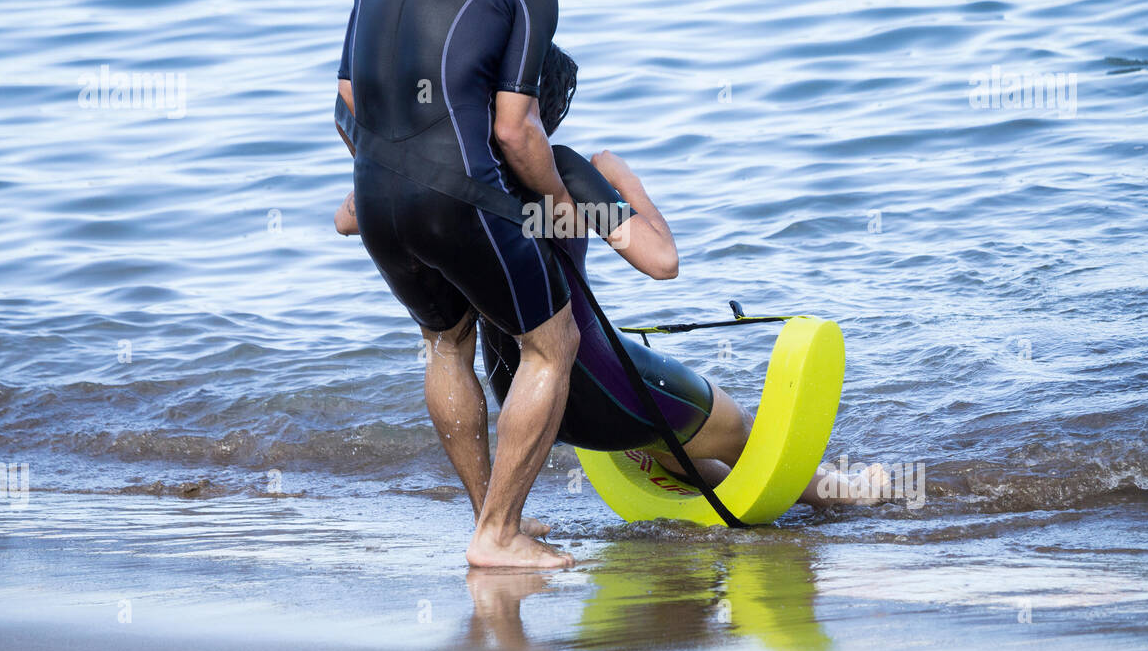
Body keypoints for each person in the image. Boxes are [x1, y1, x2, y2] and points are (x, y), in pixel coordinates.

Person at [339, 45, 888, 510]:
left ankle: (752, 497)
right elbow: (662, 262)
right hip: (608, 389)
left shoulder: (451, 183)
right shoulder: (567, 172)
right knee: (741, 430)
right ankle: (844, 495)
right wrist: (623, 181)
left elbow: (347, 218)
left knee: (682, 446)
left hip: (522, 396)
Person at [334, 0, 581, 569]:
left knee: (447, 342)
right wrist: (557, 204)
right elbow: (515, 131)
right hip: (458, 197)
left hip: (377, 195)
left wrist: (381, 179)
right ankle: (498, 535)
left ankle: (490, 522)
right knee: (552, 344)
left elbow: (345, 103)